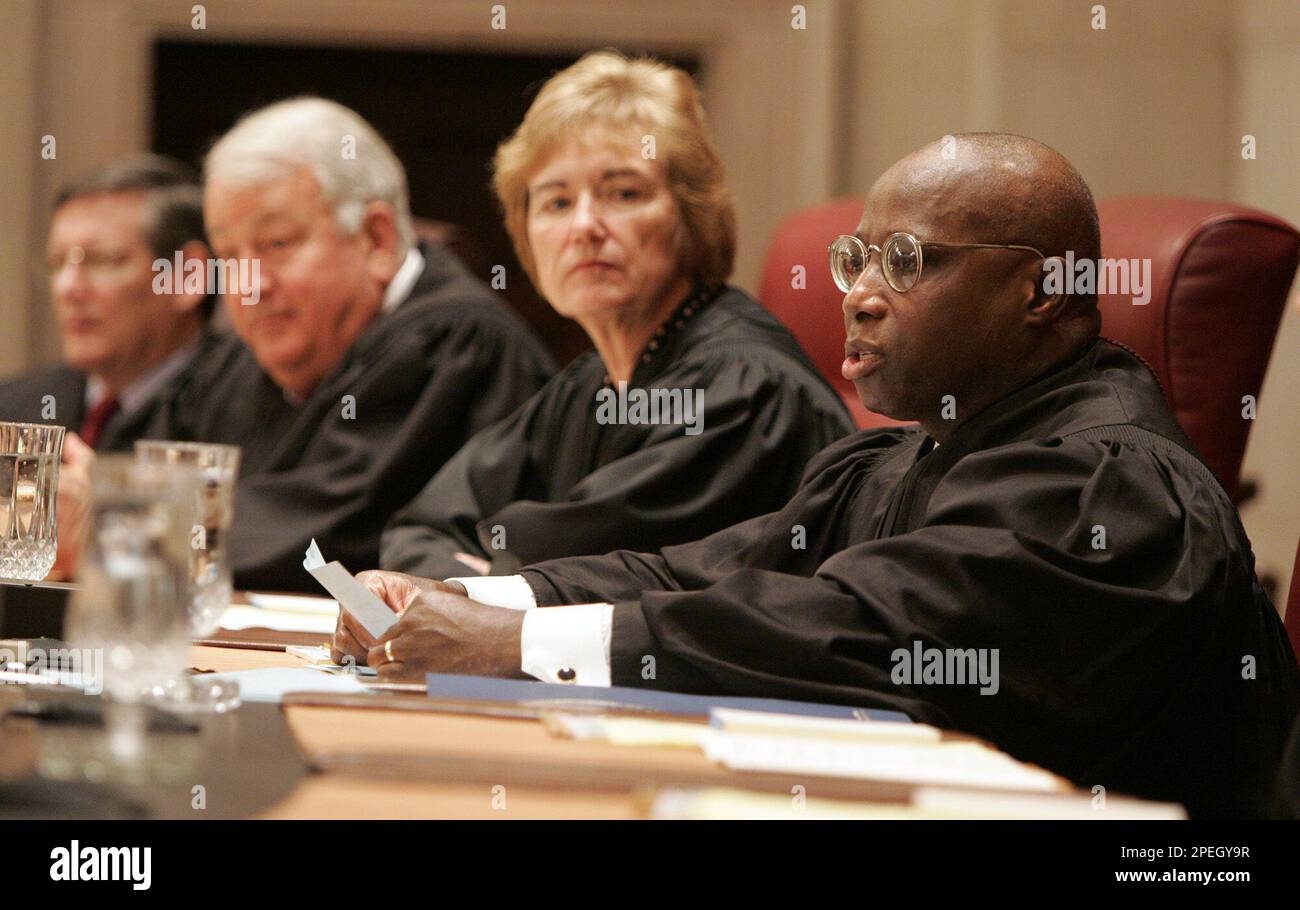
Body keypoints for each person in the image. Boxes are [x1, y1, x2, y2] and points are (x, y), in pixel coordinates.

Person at [336, 133, 1299, 818]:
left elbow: (855, 628)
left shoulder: (1105, 486)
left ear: (1041, 289)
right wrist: (468, 596)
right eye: (856, 259)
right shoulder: (907, 452)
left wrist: (513, 643)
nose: (863, 296)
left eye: (909, 261)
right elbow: (708, 573)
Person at [380, 52, 853, 583]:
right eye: (557, 202)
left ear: (691, 216)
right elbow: (420, 528)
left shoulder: (748, 390)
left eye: (623, 193)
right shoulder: (587, 385)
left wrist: (492, 576)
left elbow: (595, 574)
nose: (584, 225)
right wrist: (486, 580)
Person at [155, 97, 555, 591]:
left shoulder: (457, 345)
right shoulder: (237, 363)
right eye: (229, 256)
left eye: (276, 244)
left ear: (375, 239)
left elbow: (336, 536)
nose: (248, 285)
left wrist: (134, 522)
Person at [0, 155, 213, 452]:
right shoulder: (12, 409)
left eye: (103, 261)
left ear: (187, 276)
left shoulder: (241, 408)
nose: (67, 288)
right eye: (57, 264)